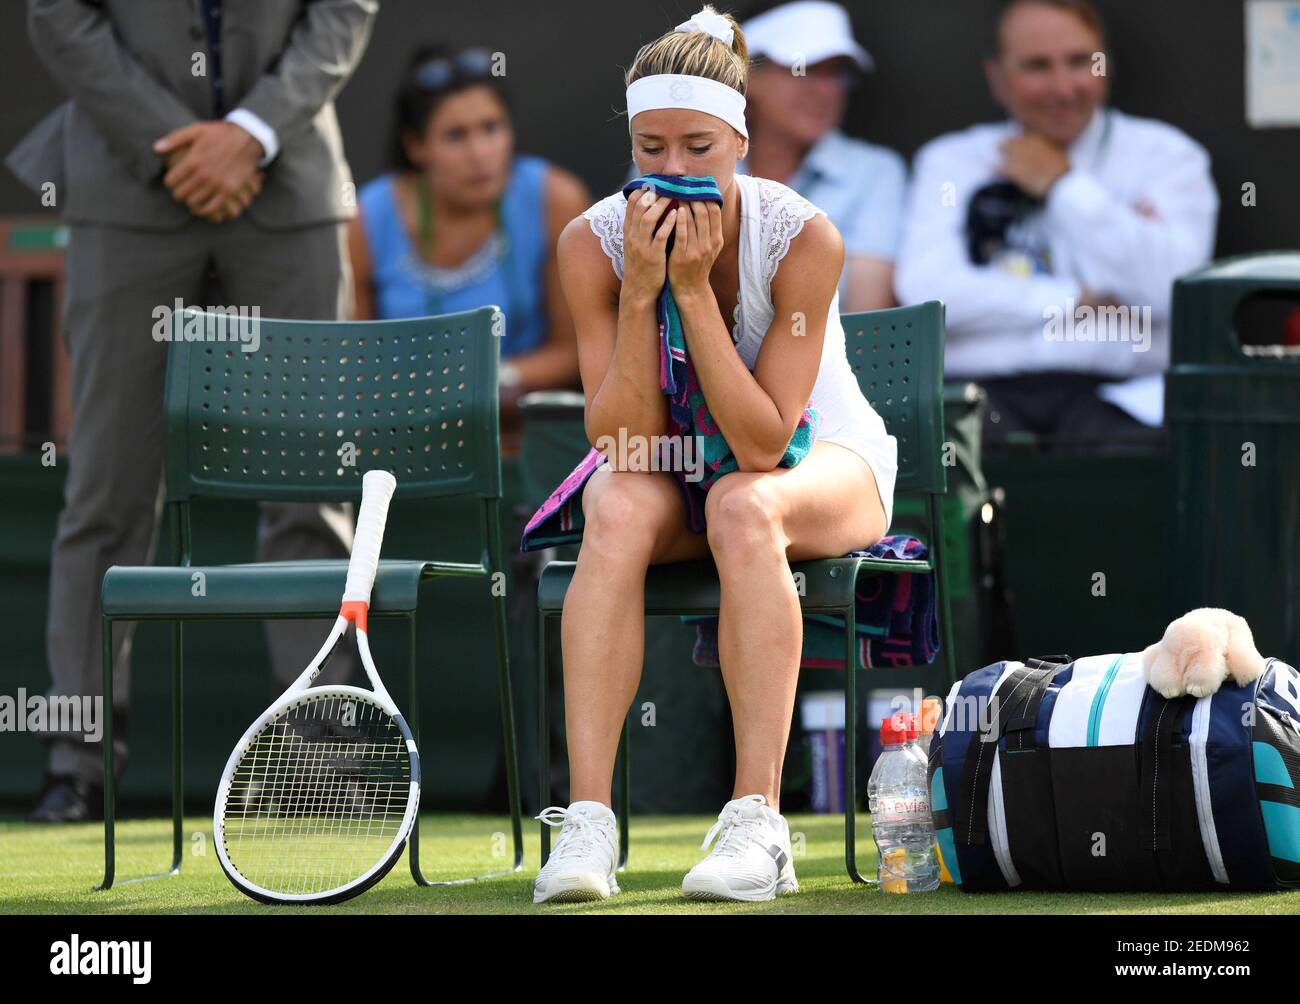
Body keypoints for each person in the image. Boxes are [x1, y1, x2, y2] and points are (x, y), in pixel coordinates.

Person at [531, 5, 897, 904]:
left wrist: (691, 294)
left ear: (739, 139)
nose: (672, 170)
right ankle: (586, 824)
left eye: (697, 146)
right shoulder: (591, 243)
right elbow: (620, 437)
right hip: (679, 462)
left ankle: (756, 821)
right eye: (650, 148)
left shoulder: (806, 237)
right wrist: (637, 297)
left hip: (824, 464)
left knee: (744, 502)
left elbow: (768, 441)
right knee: (615, 504)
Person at [6, 0, 378, 821]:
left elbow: (344, 9)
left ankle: (317, 758)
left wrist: (251, 130)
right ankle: (79, 760)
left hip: (290, 187)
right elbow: (57, 13)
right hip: (126, 182)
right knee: (106, 489)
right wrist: (184, 143)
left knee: (312, 487)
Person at [894, 0, 1218, 451]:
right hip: (983, 397)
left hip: (1121, 401)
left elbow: (1168, 291)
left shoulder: (1167, 157)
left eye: (1081, 62)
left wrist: (1063, 185)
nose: (1063, 87)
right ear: (997, 78)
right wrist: (1078, 300)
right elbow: (928, 295)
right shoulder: (951, 161)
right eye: (1037, 67)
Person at [349, 46, 588, 430]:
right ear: (415, 146)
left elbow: (578, 349)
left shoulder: (555, 199)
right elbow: (351, 366)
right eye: (456, 136)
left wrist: (491, 381)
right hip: (402, 439)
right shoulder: (362, 221)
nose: (480, 154)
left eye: (491, 128)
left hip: (521, 439)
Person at [738, 0, 907, 312]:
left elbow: (866, 323)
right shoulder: (679, 156)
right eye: (804, 69)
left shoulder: (875, 172)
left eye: (837, 74)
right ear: (749, 78)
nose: (828, 91)